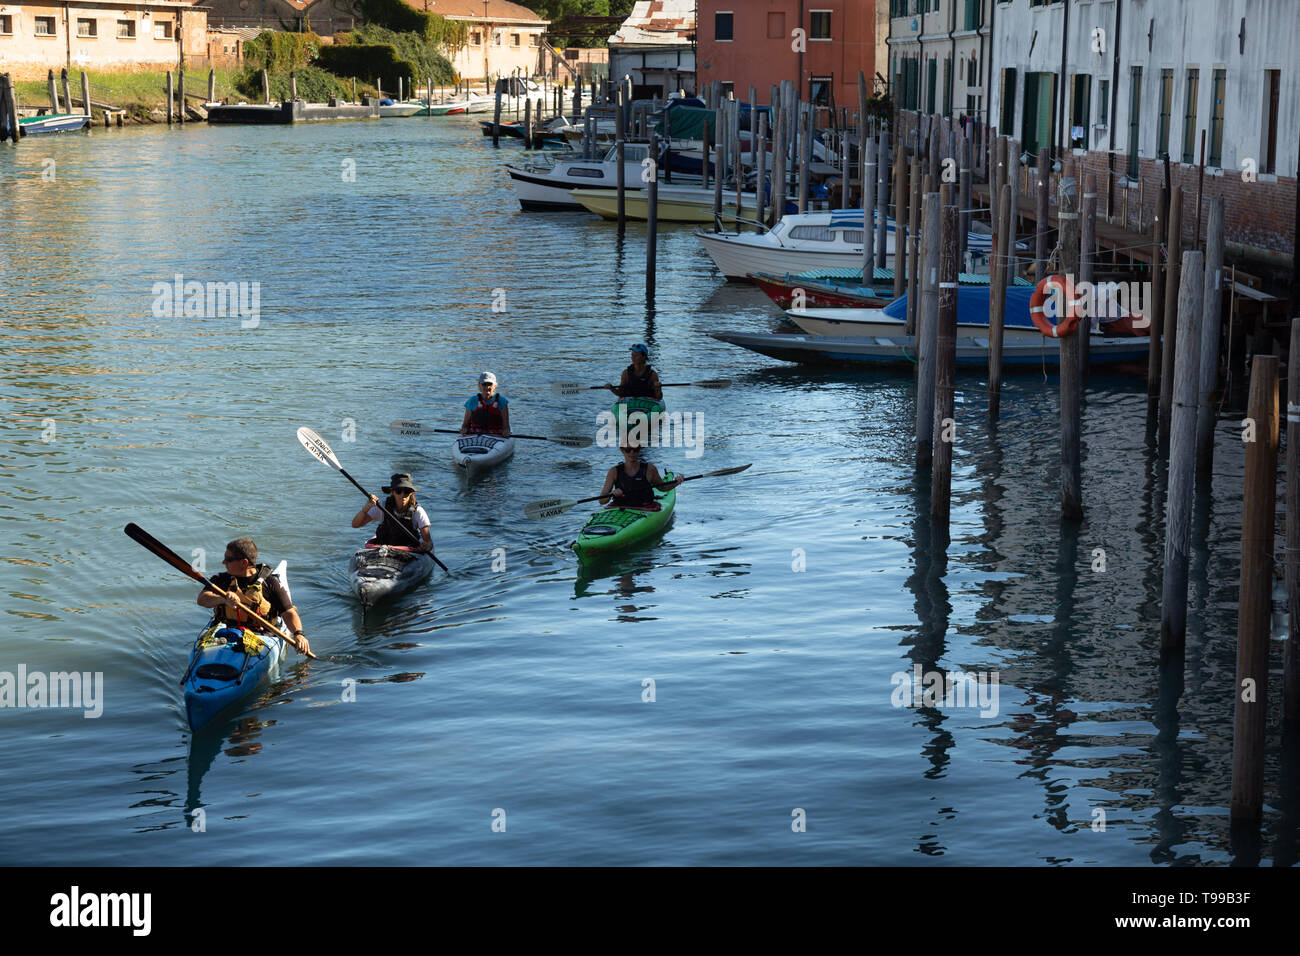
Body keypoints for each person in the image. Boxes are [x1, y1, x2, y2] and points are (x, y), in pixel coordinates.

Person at [197, 538, 311, 655]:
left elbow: (288, 612)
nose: (223, 562)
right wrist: (223, 598)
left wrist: (298, 634)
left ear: (244, 563)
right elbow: (201, 600)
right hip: (225, 631)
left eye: (228, 559)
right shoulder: (221, 579)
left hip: (261, 634)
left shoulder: (270, 583)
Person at [352, 473, 434, 553]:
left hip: (407, 551)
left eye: (406, 491)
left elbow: (428, 541)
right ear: (392, 492)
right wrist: (365, 509)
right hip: (383, 548)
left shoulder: (418, 511)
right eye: (398, 491)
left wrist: (427, 546)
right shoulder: (382, 507)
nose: (402, 495)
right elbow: (355, 524)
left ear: (411, 493)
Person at [597, 443, 682, 510]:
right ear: (622, 450)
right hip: (620, 508)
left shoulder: (650, 469)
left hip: (645, 507)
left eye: (635, 449)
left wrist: (676, 482)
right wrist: (611, 494)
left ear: (639, 449)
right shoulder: (614, 471)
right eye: (628, 450)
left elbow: (662, 488)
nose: (632, 453)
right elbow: (601, 501)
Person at [460, 372, 512, 437]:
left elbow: (506, 426)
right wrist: (464, 429)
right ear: (479, 385)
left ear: (495, 385)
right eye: (484, 384)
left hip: (496, 435)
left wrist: (506, 431)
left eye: (490, 384)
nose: (487, 387)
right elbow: (465, 425)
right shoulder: (472, 401)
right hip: (475, 434)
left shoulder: (502, 401)